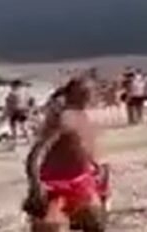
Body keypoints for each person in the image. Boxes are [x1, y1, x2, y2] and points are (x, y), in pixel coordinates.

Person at [23, 78, 107, 231]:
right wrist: (35, 183)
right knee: (50, 226)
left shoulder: (82, 115)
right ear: (71, 94)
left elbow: (83, 146)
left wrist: (96, 165)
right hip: (56, 182)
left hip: (82, 179)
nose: (90, 95)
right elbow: (37, 152)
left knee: (96, 221)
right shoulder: (62, 118)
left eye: (91, 91)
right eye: (85, 92)